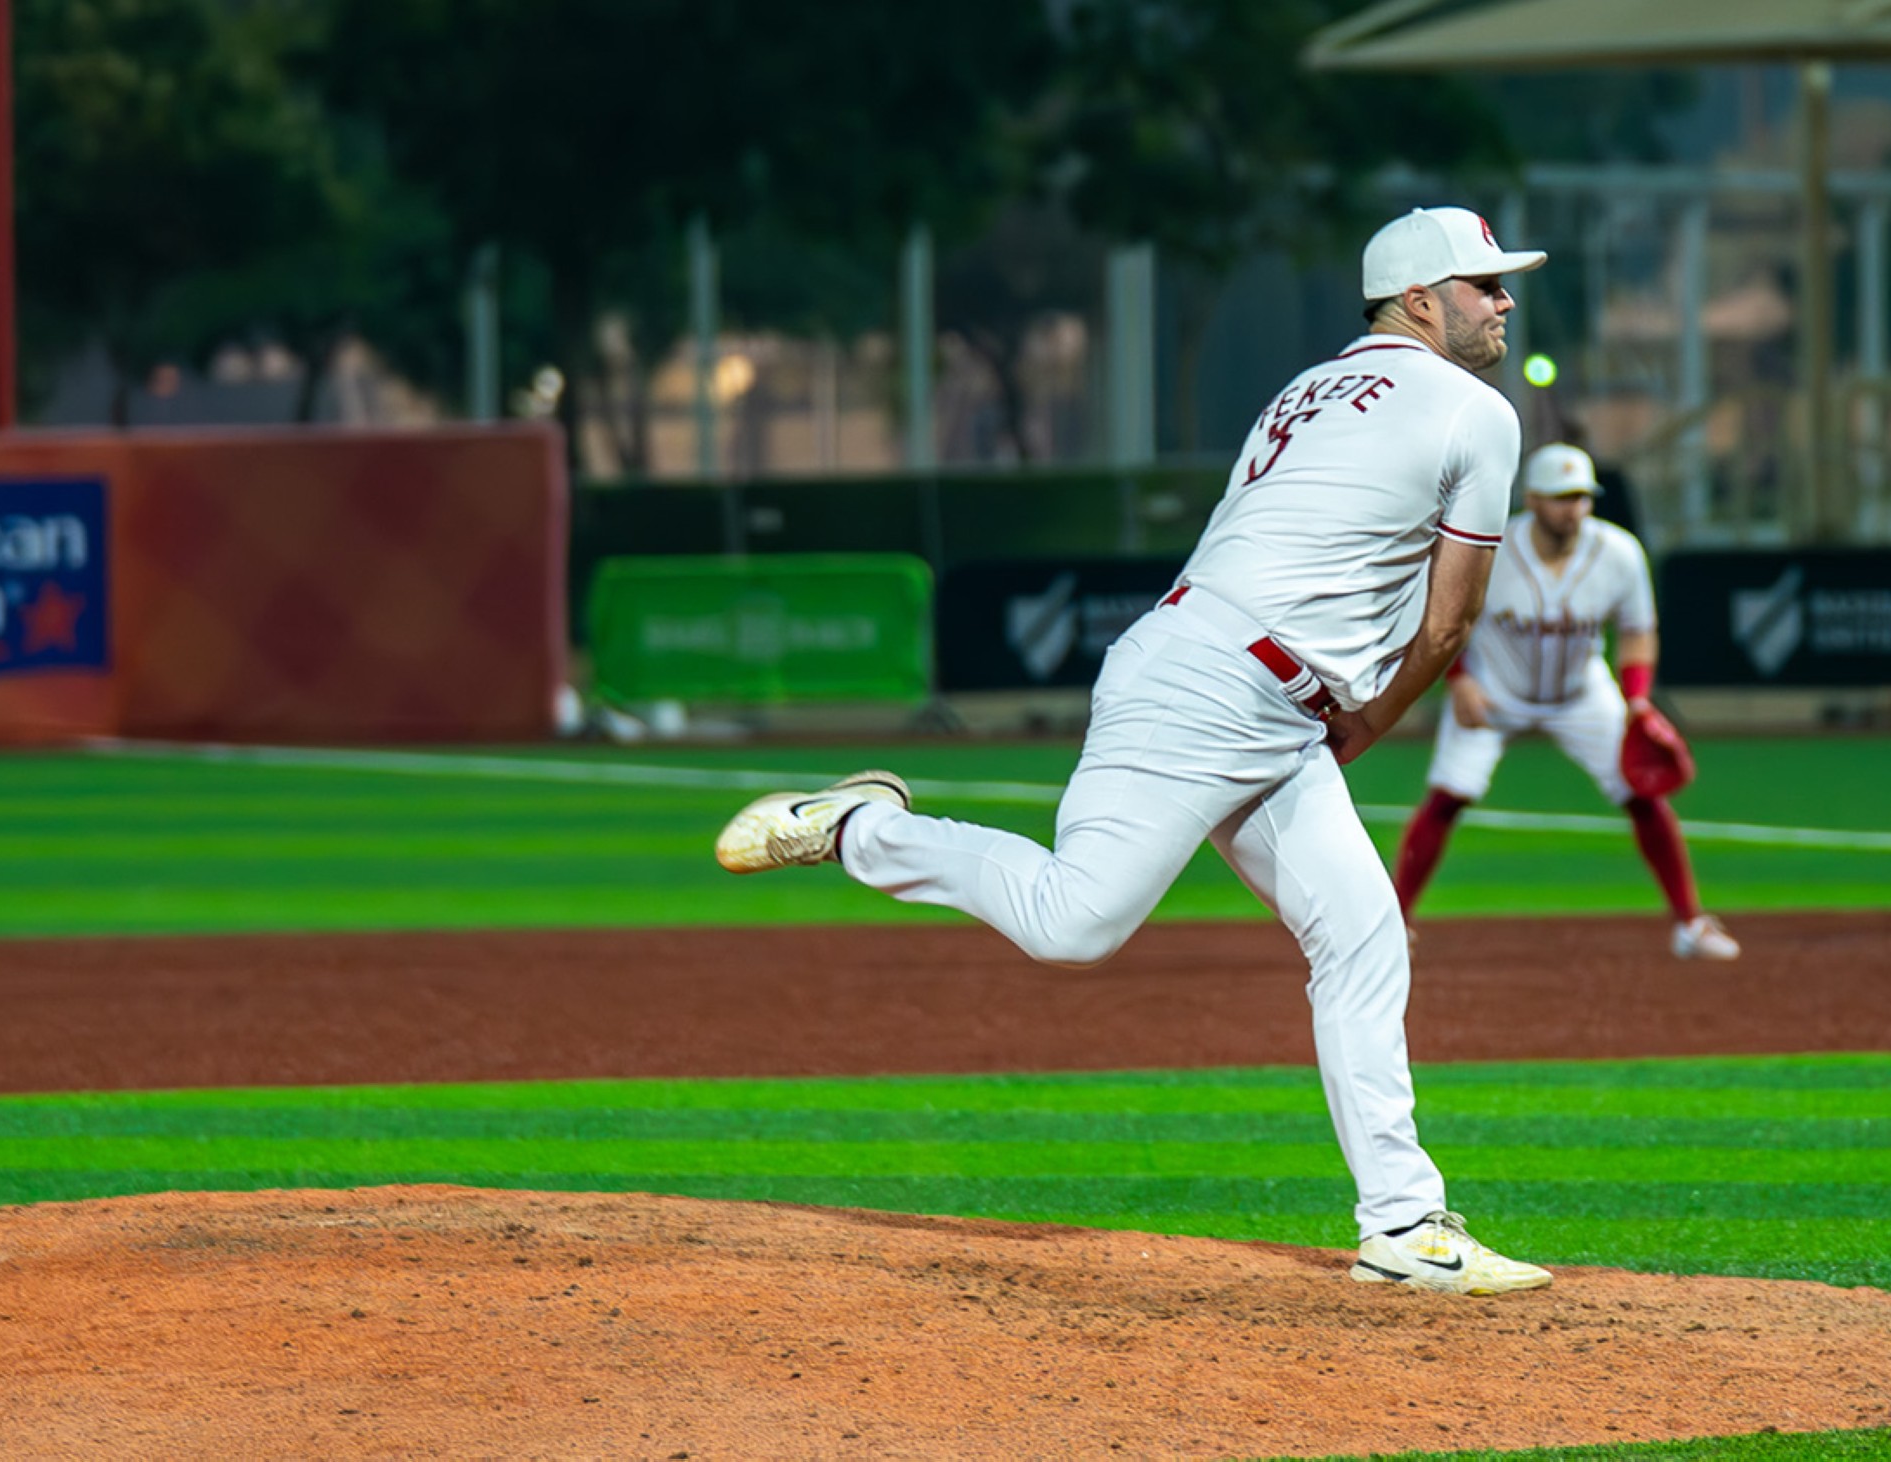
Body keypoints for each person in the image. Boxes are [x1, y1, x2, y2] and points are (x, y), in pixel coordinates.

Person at [714, 206, 1554, 1295]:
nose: (1502, 300)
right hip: (1213, 686)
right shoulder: (1471, 411)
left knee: (1360, 935)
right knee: (1075, 922)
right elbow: (1448, 623)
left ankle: (1401, 1225)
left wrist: (1326, 718)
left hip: (1248, 687)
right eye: (1482, 282)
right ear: (1417, 297)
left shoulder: (1307, 385)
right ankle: (864, 826)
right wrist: (1372, 724)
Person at [1391, 442, 1737, 960]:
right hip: (1496, 688)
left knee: (1642, 794)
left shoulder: (1619, 552)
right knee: (1448, 796)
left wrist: (1638, 702)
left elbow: (1639, 631)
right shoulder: (1492, 548)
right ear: (1531, 498)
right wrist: (1459, 680)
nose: (1572, 508)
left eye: (1581, 497)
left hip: (1581, 693)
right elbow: (1447, 616)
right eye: (1560, 498)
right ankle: (1393, 924)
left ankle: (1690, 923)